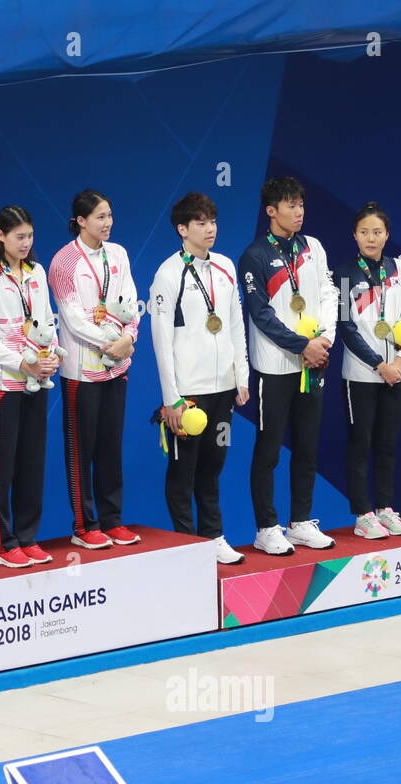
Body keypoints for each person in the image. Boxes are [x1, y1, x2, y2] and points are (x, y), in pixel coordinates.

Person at [239, 177, 339, 556]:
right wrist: (303, 346)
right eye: (290, 205)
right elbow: (261, 314)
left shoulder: (313, 247)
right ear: (271, 211)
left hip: (313, 363)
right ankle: (267, 527)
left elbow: (329, 293)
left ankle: (300, 522)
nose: (298, 212)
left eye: (300, 204)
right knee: (268, 451)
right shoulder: (254, 256)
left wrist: (323, 340)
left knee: (308, 447)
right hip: (275, 366)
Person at [148, 193, 249, 565]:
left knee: (213, 467)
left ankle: (214, 537)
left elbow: (236, 323)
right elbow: (162, 340)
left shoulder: (224, 267)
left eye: (213, 222)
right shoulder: (167, 274)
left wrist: (242, 375)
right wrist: (171, 398)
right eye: (201, 223)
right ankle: (187, 547)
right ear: (182, 229)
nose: (210, 229)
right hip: (188, 395)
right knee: (183, 473)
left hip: (223, 390)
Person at [0, 205, 59, 568]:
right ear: (0, 236)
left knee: (32, 463)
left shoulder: (36, 272)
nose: (26, 243)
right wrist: (24, 363)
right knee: (3, 467)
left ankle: (28, 537)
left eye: (30, 236)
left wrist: (50, 355)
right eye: (18, 236)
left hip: (38, 381)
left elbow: (47, 321)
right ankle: (5, 545)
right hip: (3, 385)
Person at [48, 189, 141, 550]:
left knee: (110, 446)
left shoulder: (118, 253)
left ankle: (113, 519)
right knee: (80, 450)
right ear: (81, 221)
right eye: (100, 217)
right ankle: (85, 525)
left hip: (117, 365)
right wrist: (111, 341)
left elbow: (131, 303)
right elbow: (72, 319)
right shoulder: (63, 262)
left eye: (110, 215)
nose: (108, 223)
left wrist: (128, 338)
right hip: (81, 371)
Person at [335, 202, 401, 539]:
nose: (370, 238)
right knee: (361, 444)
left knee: (387, 444)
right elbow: (346, 327)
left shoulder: (399, 269)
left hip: (398, 372)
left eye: (377, 232)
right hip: (362, 374)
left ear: (387, 234)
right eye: (364, 232)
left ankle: (385, 508)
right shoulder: (344, 273)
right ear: (354, 235)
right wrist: (379, 364)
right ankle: (363, 515)